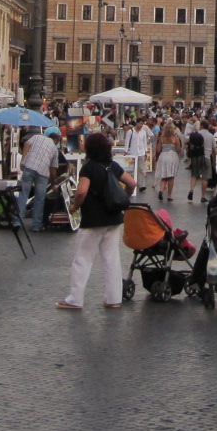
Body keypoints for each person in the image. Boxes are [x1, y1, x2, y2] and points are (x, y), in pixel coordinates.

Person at [56, 132, 135, 310]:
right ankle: (113, 298)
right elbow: (132, 183)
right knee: (111, 259)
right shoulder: (113, 166)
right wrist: (123, 197)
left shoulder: (88, 168)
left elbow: (81, 192)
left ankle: (75, 299)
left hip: (92, 219)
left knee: (83, 259)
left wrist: (74, 206)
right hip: (113, 217)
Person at [19, 128, 59, 232]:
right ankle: (37, 225)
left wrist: (23, 160)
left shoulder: (37, 137)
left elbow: (27, 143)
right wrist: (53, 184)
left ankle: (17, 221)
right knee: (39, 199)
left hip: (29, 167)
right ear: (56, 140)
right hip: (43, 173)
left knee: (23, 194)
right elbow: (53, 170)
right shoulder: (55, 149)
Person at [154, 122, 182, 201]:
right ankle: (169, 195)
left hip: (163, 156)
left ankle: (161, 190)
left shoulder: (162, 138)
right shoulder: (175, 138)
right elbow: (178, 150)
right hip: (172, 156)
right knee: (171, 177)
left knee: (164, 176)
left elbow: (158, 150)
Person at [123, 118, 151, 189]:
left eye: (142, 124)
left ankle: (142, 185)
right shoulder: (130, 132)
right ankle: (132, 184)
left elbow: (144, 142)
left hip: (141, 153)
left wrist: (145, 151)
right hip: (132, 153)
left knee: (141, 169)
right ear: (137, 123)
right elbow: (127, 141)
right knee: (132, 169)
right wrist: (126, 151)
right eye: (140, 123)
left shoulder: (143, 132)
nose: (141, 125)